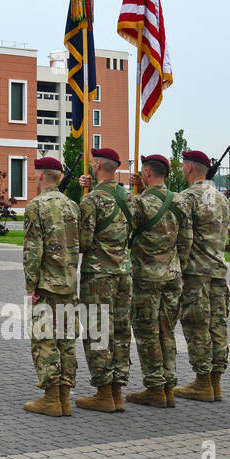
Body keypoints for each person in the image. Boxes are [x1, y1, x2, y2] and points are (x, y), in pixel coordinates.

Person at [127, 154, 191, 409]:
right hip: (173, 276)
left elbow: (125, 232)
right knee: (167, 331)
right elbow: (186, 241)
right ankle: (168, 386)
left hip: (146, 277)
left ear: (148, 173)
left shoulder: (140, 203)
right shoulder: (180, 201)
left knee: (146, 332)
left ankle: (155, 387)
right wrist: (180, 268)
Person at [74, 147, 134, 414]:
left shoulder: (92, 201)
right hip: (124, 272)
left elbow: (83, 241)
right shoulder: (129, 198)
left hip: (99, 275)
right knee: (120, 331)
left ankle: (103, 392)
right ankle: (117, 390)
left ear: (97, 166)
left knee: (98, 332)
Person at [20, 156, 79, 414]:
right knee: (66, 341)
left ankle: (51, 398)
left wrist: (30, 285)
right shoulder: (72, 206)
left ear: (42, 176)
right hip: (68, 283)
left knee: (45, 339)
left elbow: (33, 250)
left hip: (46, 284)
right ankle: (65, 397)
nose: (34, 179)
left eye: (35, 175)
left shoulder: (36, 206)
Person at [174, 149, 230, 403]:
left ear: (189, 168)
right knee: (217, 327)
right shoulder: (221, 199)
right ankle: (215, 382)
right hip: (218, 272)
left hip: (196, 273)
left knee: (197, 326)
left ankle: (202, 382)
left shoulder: (187, 198)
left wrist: (181, 268)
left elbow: (183, 237)